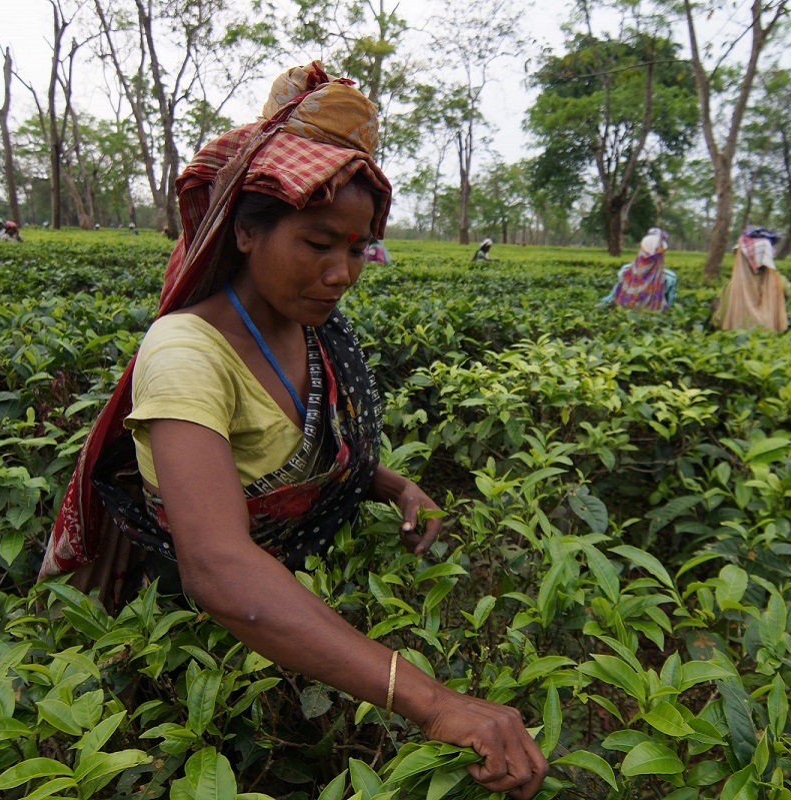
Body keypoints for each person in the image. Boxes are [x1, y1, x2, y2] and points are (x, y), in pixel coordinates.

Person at [40, 62, 547, 799]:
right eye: (317, 244)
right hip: (196, 641)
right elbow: (218, 568)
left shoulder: (305, 325)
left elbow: (302, 443)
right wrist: (435, 702)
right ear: (246, 230)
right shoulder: (186, 354)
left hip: (294, 620)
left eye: (358, 248)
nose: (341, 272)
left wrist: (392, 484)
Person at [711, 227, 788, 332]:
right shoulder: (781, 282)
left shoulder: (733, 286)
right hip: (771, 340)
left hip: (738, 342)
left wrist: (716, 309)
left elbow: (719, 321)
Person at [600, 227, 677, 311]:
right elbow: (670, 304)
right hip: (652, 319)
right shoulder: (669, 278)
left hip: (624, 315)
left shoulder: (626, 271)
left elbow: (613, 296)